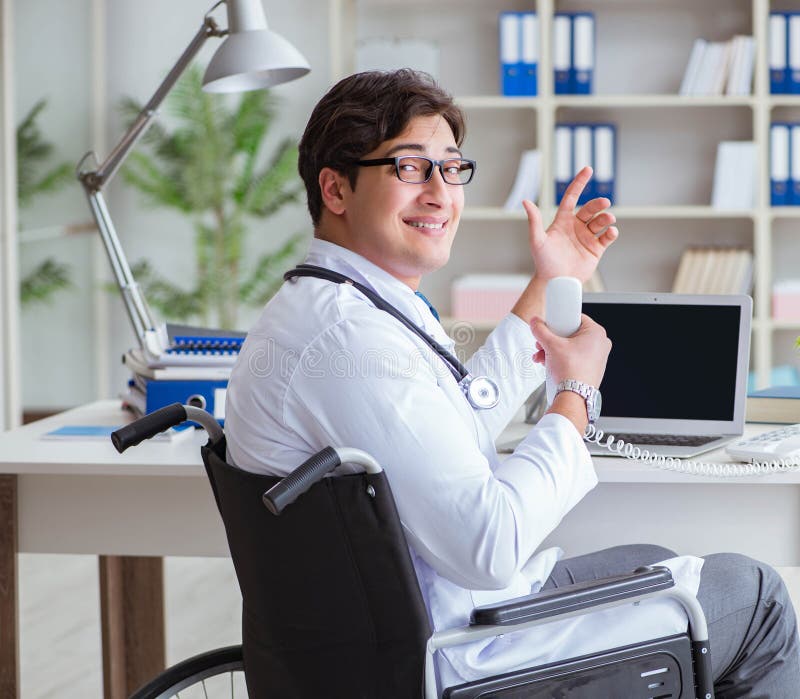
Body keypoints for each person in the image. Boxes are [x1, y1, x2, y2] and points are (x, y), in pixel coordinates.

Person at [225, 69, 799, 697]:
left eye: (451, 169)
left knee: (652, 560)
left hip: (410, 631)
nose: (440, 194)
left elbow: (460, 415)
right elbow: (489, 547)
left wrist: (552, 281)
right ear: (336, 188)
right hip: (463, 656)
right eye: (410, 168)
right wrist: (575, 397)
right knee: (756, 597)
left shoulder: (339, 306)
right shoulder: (351, 340)